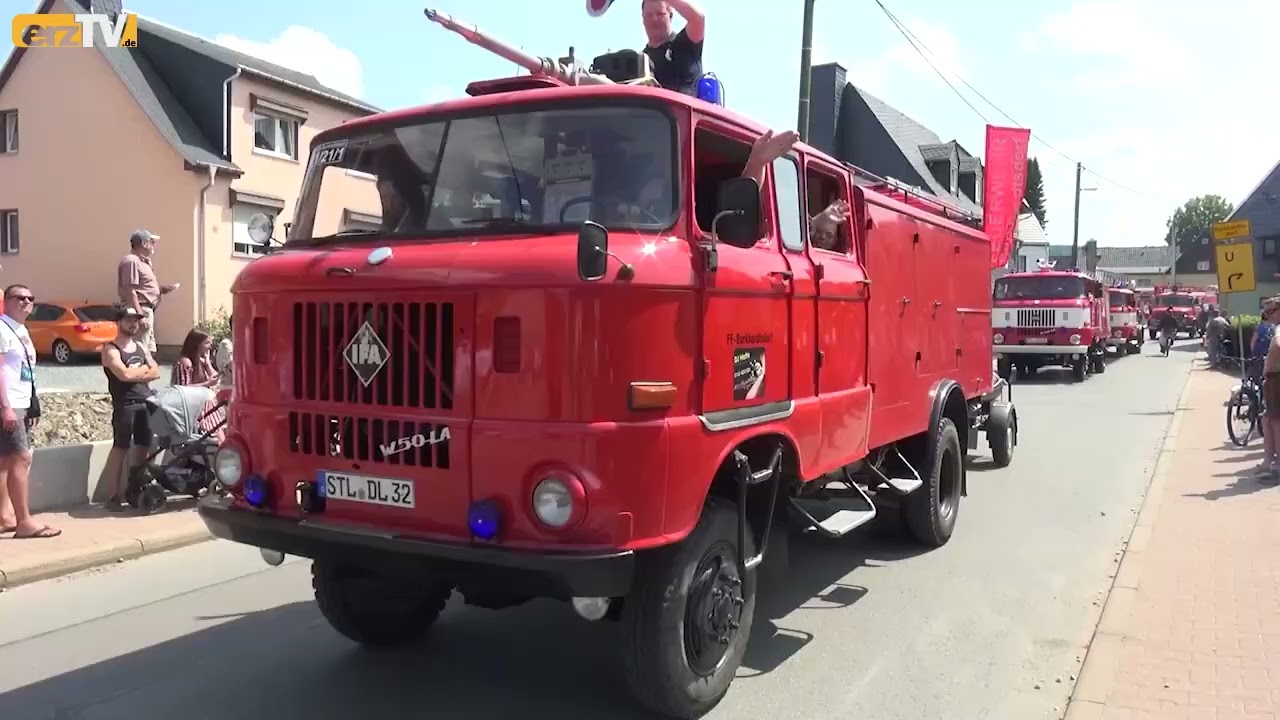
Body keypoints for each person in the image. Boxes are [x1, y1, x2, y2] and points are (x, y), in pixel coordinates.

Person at [0, 284, 59, 538]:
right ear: (6, 301)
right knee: (20, 458)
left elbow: (25, 371)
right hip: (9, 403)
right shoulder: (2, 328)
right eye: (19, 297)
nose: (26, 301)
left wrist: (31, 404)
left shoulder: (20, 330)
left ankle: (4, 516)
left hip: (21, 402)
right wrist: (6, 408)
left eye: (30, 298)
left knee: (5, 462)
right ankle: (24, 521)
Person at [100, 306, 161, 510]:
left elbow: (157, 372)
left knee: (143, 447)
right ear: (118, 322)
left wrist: (139, 371)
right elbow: (123, 375)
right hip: (125, 405)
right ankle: (113, 495)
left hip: (146, 403)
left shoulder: (141, 347)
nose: (133, 324)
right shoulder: (110, 349)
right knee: (120, 448)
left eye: (136, 320)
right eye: (129, 320)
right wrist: (144, 370)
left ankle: (136, 487)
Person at [117, 229, 179, 354]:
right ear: (144, 243)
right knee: (140, 351)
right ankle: (137, 373)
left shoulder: (142, 262)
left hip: (147, 310)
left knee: (150, 352)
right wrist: (139, 316)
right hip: (140, 310)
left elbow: (142, 288)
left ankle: (146, 373)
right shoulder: (132, 261)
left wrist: (162, 289)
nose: (154, 245)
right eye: (152, 242)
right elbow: (130, 290)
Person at [640, 0, 705, 95]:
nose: (654, 19)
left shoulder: (686, 43)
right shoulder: (640, 61)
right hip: (654, 108)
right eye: (649, 15)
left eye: (660, 14)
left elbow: (698, 18)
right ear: (643, 18)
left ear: (670, 16)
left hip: (686, 107)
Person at [1260, 298, 1280, 484]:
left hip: (1276, 378)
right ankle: (1269, 462)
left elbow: (1278, 345)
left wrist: (1267, 368)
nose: (1269, 315)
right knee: (1269, 420)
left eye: (1272, 311)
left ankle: (1275, 465)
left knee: (1274, 421)